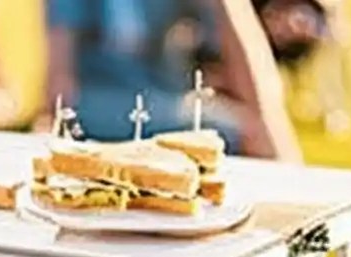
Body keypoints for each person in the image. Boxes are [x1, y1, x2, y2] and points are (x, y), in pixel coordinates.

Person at [42, 0, 302, 160]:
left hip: (165, 98)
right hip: (102, 104)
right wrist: (56, 125)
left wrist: (266, 117)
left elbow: (236, 44)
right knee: (245, 133)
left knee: (253, 131)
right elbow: (60, 74)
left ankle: (293, 193)